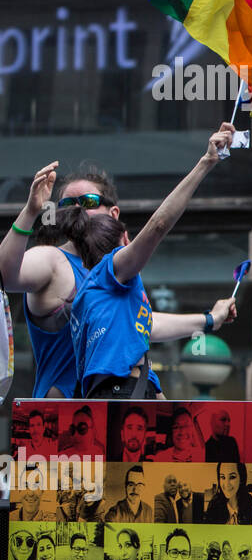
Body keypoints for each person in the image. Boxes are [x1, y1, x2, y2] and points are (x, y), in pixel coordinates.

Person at [1, 162, 235, 399]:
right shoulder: (52, 259)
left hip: (119, 406)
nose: (77, 210)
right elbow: (4, 275)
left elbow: (141, 323)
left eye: (89, 202)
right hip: (66, 417)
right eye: (67, 204)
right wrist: (31, 210)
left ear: (113, 214)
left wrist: (209, 319)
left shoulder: (115, 268)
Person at [59, 128, 239, 397]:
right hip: (123, 394)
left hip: (112, 397)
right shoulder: (113, 270)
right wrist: (206, 162)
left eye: (87, 202)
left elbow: (146, 327)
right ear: (124, 239)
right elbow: (158, 225)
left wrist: (211, 319)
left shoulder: (86, 298)